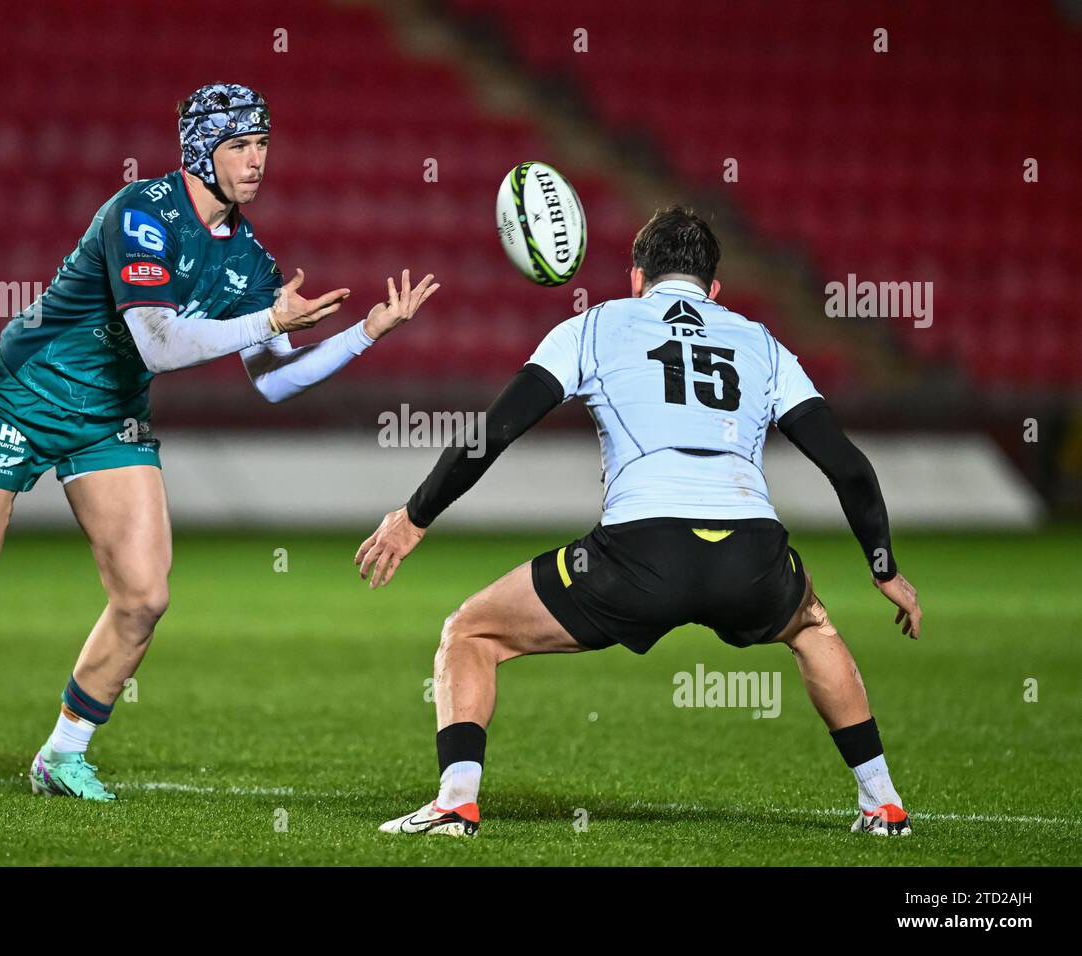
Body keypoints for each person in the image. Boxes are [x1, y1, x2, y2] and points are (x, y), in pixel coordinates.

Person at [0, 83, 438, 800]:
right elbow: (160, 344)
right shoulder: (142, 213)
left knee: (143, 597)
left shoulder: (251, 262)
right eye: (238, 144)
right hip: (27, 394)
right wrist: (269, 323)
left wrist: (365, 334)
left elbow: (272, 383)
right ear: (201, 151)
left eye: (262, 143)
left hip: (111, 414)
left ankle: (62, 753)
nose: (256, 159)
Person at [357, 206, 920, 838]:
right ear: (715, 289)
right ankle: (884, 804)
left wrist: (415, 516)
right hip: (752, 555)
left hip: (637, 555)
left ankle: (457, 803)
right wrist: (884, 568)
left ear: (635, 278)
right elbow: (850, 468)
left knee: (470, 633)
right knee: (813, 629)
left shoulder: (591, 327)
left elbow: (493, 431)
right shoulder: (762, 343)